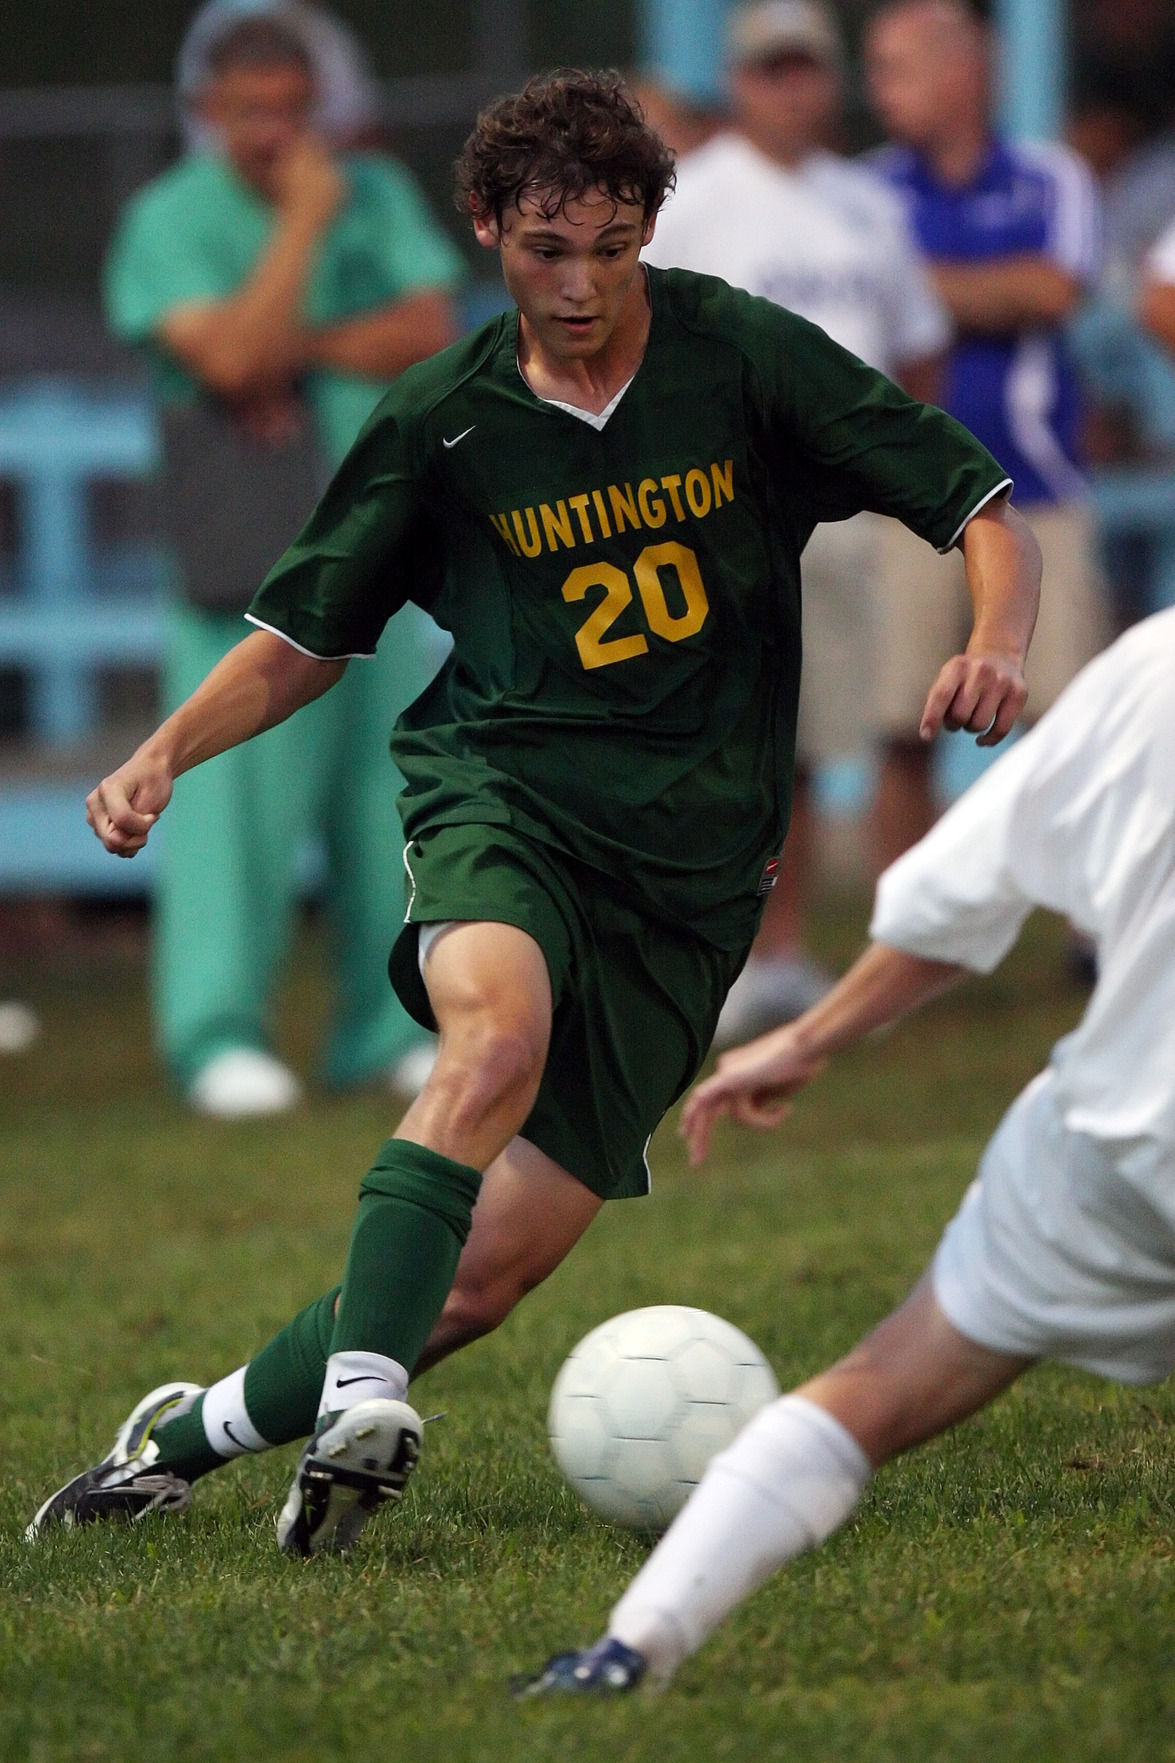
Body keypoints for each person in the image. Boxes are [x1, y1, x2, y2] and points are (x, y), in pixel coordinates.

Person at [28, 69, 1039, 1560]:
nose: (580, 286)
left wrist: (995, 636)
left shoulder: (737, 354)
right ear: (487, 227)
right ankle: (365, 1395)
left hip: (691, 871)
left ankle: (182, 1434)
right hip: (503, 794)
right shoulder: (440, 419)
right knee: (491, 1035)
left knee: (474, 1281)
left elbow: (972, 501)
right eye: (544, 249)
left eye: (613, 248)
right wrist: (166, 748)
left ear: (646, 233)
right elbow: (308, 633)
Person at [518, 604, 1175, 1696]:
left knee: (879, 1380)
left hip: (1116, 1140)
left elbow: (954, 891)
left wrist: (809, 1036)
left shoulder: (1155, 663)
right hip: (1110, 1136)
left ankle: (625, 1650)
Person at [104, 13, 464, 1116]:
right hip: (243, 563)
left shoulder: (380, 192)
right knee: (225, 806)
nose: (273, 134)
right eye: (249, 111)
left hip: (381, 547)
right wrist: (304, 229)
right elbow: (224, 357)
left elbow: (429, 326)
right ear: (208, 114)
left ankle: (388, 1025)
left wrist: (297, 350)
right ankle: (216, 1034)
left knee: (392, 802)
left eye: (290, 109)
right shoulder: (170, 217)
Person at [643, 0, 951, 1038]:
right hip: (719, 510)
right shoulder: (690, 201)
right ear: (737, 81)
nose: (789, 87)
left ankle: (776, 953)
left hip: (839, 513)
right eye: (769, 70)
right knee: (721, 739)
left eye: (805, 69)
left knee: (812, 741)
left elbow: (914, 347)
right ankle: (705, 952)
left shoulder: (865, 202)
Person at [863, 0, 1109, 874]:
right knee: (899, 724)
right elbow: (859, 319)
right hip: (900, 501)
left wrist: (912, 291)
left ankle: (1093, 928)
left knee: (1071, 724)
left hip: (1035, 490)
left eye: (894, 68)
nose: (875, 89)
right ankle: (908, 925)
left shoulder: (1051, 177)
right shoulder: (866, 188)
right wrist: (977, 291)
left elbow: (1052, 292)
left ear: (959, 73)